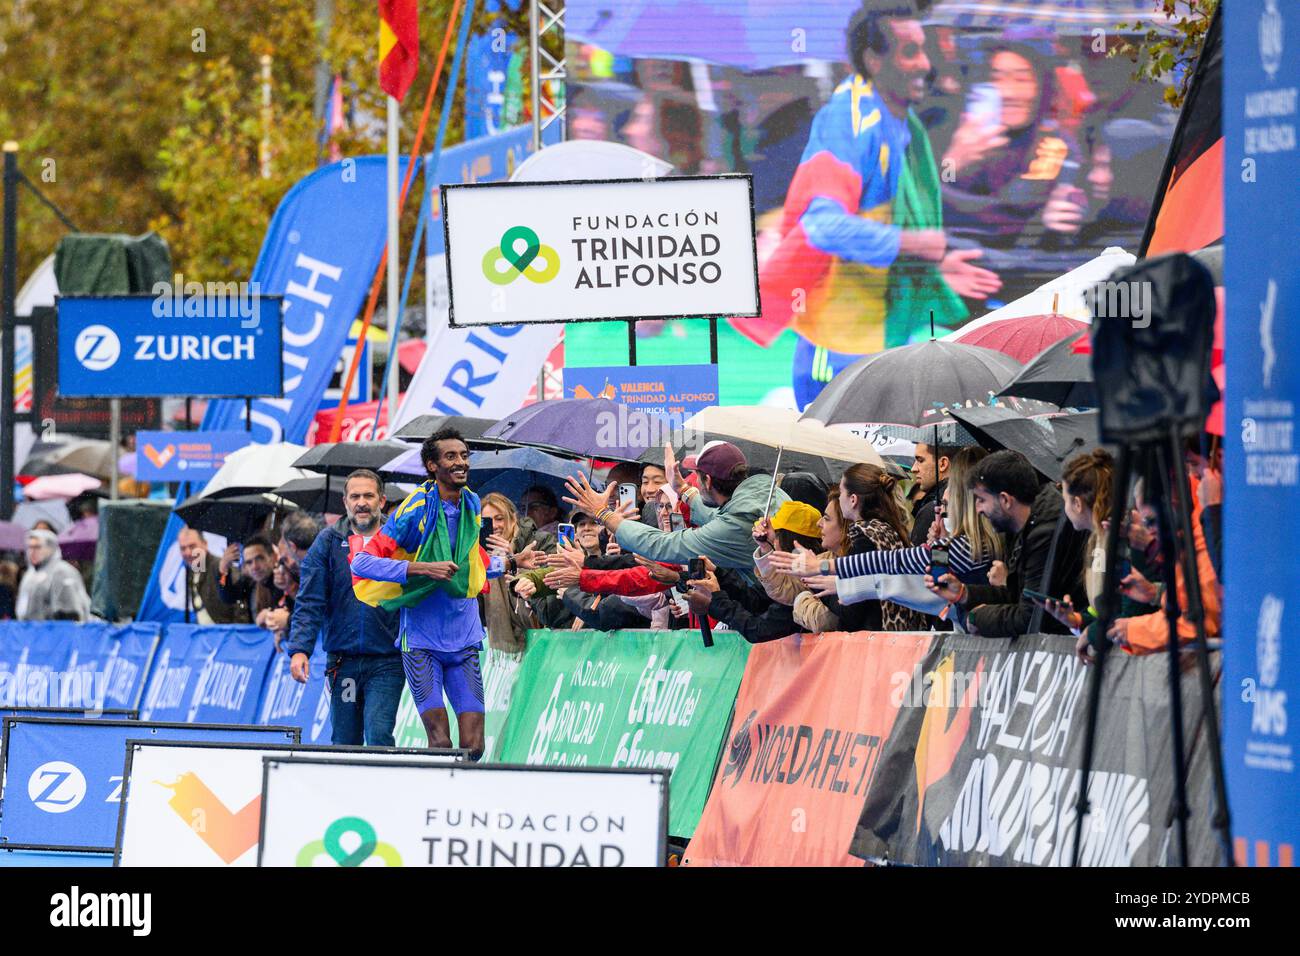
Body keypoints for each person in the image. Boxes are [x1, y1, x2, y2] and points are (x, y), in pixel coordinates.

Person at [751, 0, 999, 407]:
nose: (925, 64)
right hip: (837, 351)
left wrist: (930, 265)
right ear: (873, 59)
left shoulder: (902, 123)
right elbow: (824, 224)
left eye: (924, 49)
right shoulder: (848, 121)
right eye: (909, 51)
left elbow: (882, 227)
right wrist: (916, 245)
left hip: (879, 341)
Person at [351, 429, 507, 755]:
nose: (461, 462)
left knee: (474, 747)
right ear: (431, 465)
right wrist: (422, 568)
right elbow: (362, 564)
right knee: (440, 743)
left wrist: (510, 562)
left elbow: (469, 562)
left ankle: (461, 805)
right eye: (451, 456)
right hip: (421, 643)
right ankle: (437, 805)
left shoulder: (472, 502)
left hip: (463, 638)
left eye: (464, 455)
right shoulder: (414, 509)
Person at [283, 470, 403, 747]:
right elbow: (310, 599)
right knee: (345, 739)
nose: (362, 502)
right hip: (343, 665)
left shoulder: (399, 539)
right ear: (345, 502)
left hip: (387, 662)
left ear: (382, 501)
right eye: (355, 496)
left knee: (379, 735)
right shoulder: (327, 541)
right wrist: (300, 649)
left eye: (369, 496)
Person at [564, 440, 790, 575]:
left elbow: (662, 544)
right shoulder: (766, 493)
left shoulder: (733, 525)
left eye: (697, 477)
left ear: (708, 482)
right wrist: (682, 489)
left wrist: (603, 514)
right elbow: (717, 515)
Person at [930, 449, 1088, 636]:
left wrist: (977, 618)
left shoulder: (1044, 530)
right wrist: (964, 593)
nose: (978, 509)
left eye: (981, 500)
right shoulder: (1021, 523)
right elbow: (1019, 595)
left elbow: (1029, 616)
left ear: (1005, 500)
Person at [771, 463, 927, 631]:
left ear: (853, 499)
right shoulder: (888, 528)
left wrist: (817, 575)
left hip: (878, 642)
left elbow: (851, 614)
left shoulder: (864, 536)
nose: (838, 498)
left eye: (841, 492)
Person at [16, 530, 90, 621]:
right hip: (31, 632)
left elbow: (70, 611)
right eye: (30, 547)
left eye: (37, 547)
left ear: (50, 548)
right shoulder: (30, 574)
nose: (32, 551)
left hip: (53, 632)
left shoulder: (61, 571)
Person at [177, 526, 244, 625]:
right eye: (183, 548)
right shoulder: (191, 571)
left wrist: (236, 634)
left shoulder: (220, 567)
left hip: (227, 635)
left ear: (205, 544)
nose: (188, 552)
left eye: (192, 546)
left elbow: (240, 602)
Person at [216, 534, 281, 623]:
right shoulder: (250, 582)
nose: (254, 566)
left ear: (273, 557)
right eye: (249, 562)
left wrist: (270, 614)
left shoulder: (285, 580)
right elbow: (227, 597)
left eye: (259, 558)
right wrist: (223, 571)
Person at [909, 441, 950, 545]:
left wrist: (939, 546)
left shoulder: (933, 509)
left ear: (943, 464)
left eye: (920, 460)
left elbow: (918, 559)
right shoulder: (967, 498)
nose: (913, 469)